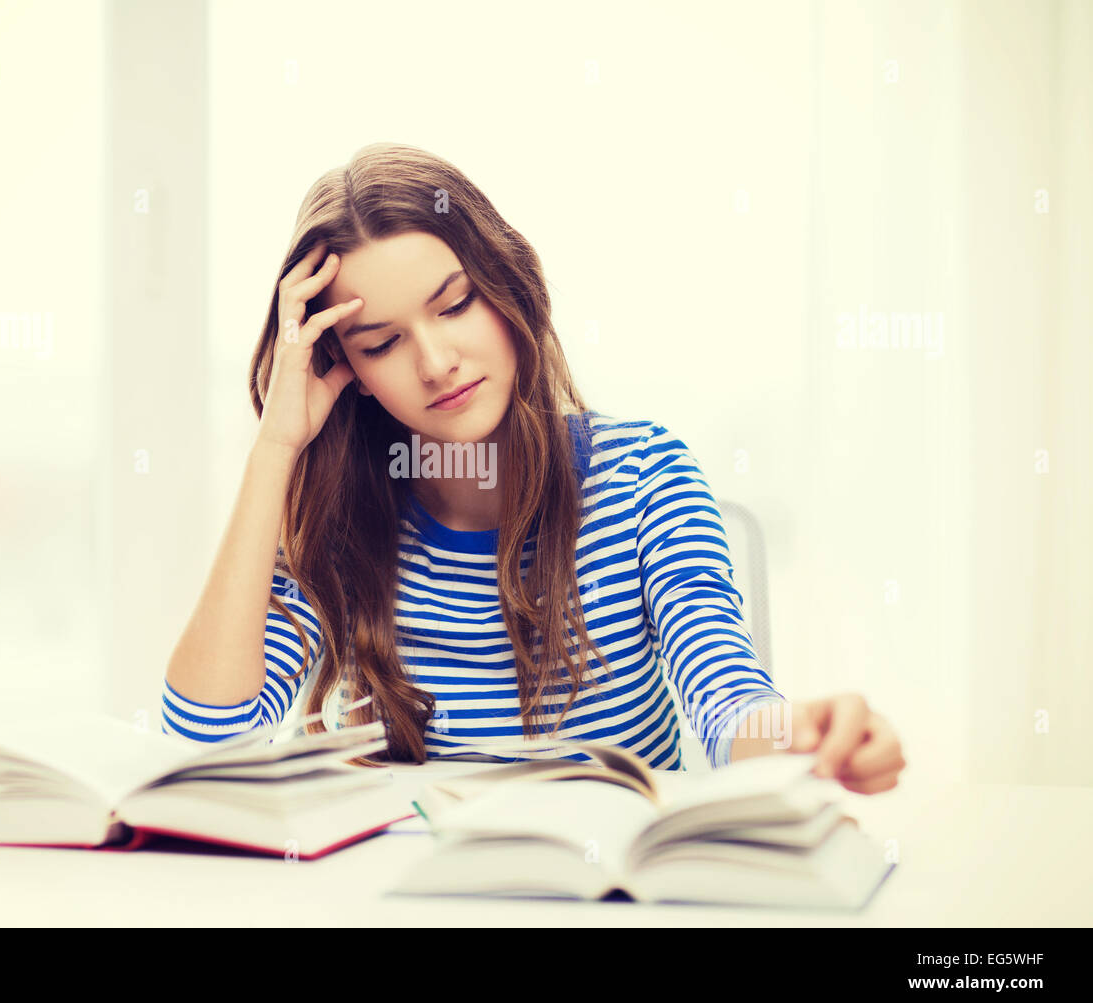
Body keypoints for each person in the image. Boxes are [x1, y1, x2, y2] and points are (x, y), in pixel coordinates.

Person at [162, 143, 906, 794]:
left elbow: (724, 697)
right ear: (343, 366)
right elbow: (204, 745)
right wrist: (276, 449)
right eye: (382, 343)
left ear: (506, 281)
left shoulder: (644, 476)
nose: (435, 361)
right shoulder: (344, 520)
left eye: (454, 305)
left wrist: (803, 735)